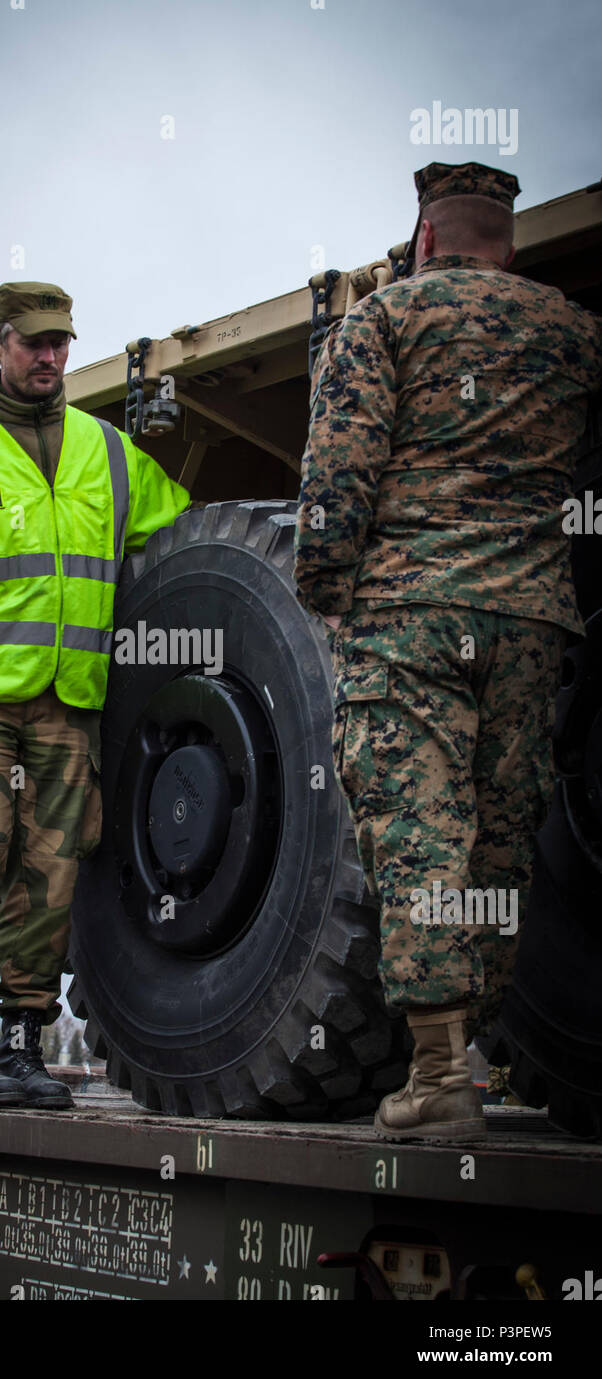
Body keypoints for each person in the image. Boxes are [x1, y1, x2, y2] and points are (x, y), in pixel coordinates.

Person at [294, 162, 602, 1142]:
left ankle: (437, 1078)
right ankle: (470, 1048)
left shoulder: (379, 323)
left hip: (413, 611)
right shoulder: (570, 329)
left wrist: (326, 595)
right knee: (502, 832)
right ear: (506, 244)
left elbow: (335, 478)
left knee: (418, 827)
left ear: (422, 238)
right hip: (530, 618)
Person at [0, 282, 189, 1109]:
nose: (49, 357)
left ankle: (21, 1043)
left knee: (51, 875)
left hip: (68, 703)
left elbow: (182, 535)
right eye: (33, 342)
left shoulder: (109, 452)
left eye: (60, 343)